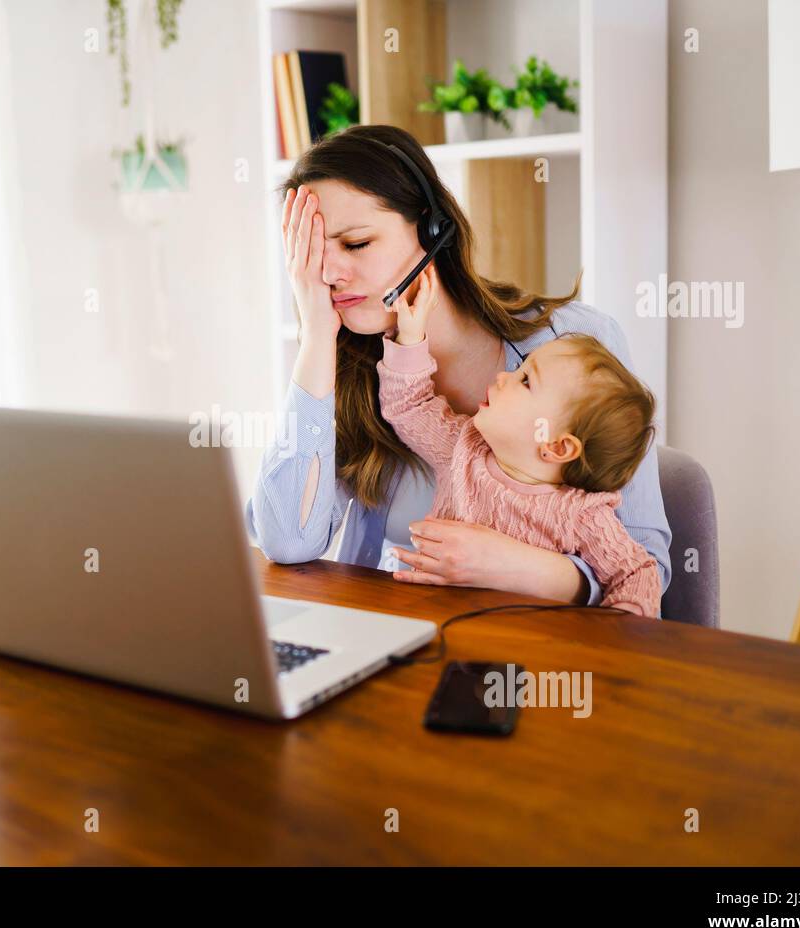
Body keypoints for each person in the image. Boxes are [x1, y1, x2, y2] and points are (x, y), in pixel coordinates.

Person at [243, 124, 671, 610]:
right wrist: (317, 338)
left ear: (431, 229)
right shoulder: (334, 369)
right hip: (399, 637)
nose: (330, 275)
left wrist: (515, 567)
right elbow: (286, 543)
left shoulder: (574, 347)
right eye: (313, 256)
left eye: (356, 244)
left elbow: (646, 565)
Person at [377, 261, 660, 616]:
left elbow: (636, 572)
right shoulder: (464, 449)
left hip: (530, 655)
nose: (502, 377)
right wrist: (411, 337)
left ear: (557, 446)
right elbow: (409, 404)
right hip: (436, 628)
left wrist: (617, 638)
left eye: (525, 380)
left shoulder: (581, 515)